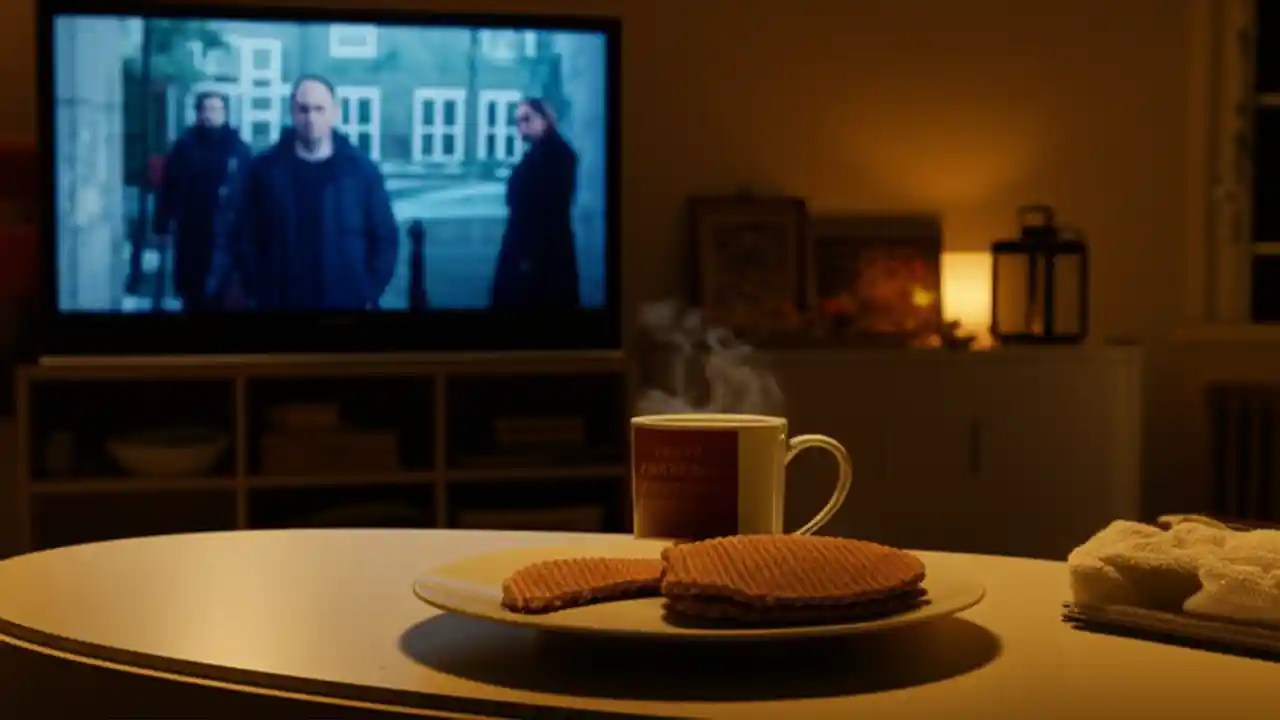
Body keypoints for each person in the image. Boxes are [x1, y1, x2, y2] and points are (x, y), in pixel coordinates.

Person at [234, 74, 399, 310]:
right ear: (292, 112)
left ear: (334, 112)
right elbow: (245, 234)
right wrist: (258, 288)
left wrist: (367, 290)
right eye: (303, 109)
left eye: (319, 109)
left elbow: (384, 236)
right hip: (281, 303)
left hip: (344, 302)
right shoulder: (265, 170)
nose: (311, 118)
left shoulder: (360, 171)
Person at [152, 91, 251, 311]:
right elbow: (170, 187)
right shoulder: (184, 147)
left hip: (227, 236)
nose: (210, 115)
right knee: (193, 294)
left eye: (215, 110)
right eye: (205, 109)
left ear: (225, 114)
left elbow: (248, 193)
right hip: (191, 233)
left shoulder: (238, 150)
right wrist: (162, 221)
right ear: (197, 113)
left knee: (224, 293)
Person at [491, 98, 581, 308]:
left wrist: (528, 257)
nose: (521, 126)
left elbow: (546, 210)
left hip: (540, 255)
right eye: (517, 121)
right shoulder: (539, 153)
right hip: (526, 248)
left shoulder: (557, 156)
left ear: (544, 119)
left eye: (526, 119)